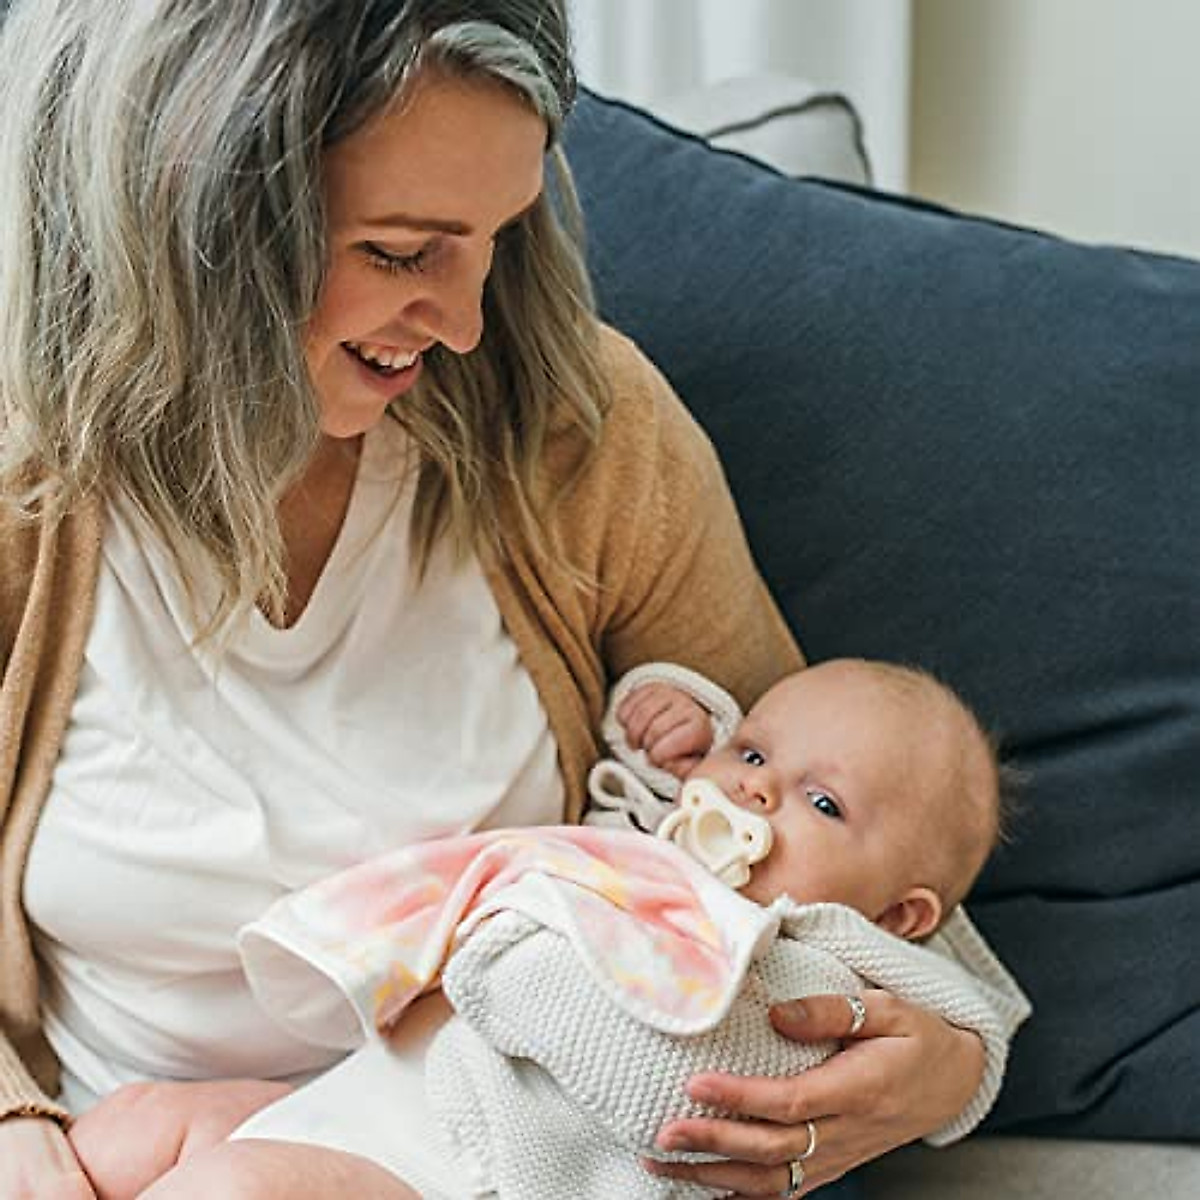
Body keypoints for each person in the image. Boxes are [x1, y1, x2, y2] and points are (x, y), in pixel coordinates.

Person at [0, 2, 994, 1197]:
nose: (467, 326)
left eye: (497, 238)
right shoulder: (31, 487)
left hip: (483, 1144)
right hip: (121, 1138)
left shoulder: (581, 434)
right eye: (401, 252)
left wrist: (949, 1062)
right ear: (189, 220)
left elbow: (840, 812)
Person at [67, 658, 1029, 1199]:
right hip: (365, 1094)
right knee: (125, 1133)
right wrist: (666, 707)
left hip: (465, 1171)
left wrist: (502, 950)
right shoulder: (656, 850)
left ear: (901, 915)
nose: (754, 789)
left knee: (229, 1193)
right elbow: (633, 774)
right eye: (751, 751)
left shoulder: (809, 962)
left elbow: (670, 1079)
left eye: (818, 802)